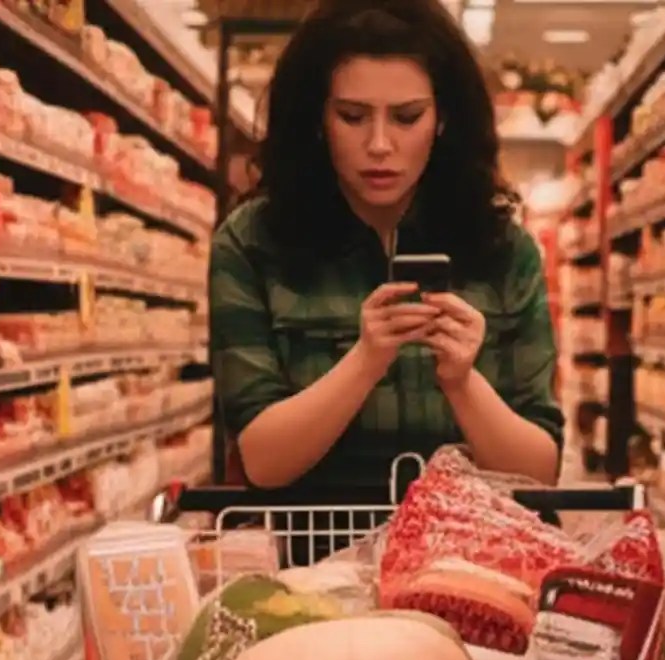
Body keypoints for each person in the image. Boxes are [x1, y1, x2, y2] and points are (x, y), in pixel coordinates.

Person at [209, 0, 563, 500]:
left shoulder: (503, 249)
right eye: (352, 116)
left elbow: (539, 472)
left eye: (407, 117)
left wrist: (462, 382)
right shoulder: (251, 244)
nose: (379, 144)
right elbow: (263, 462)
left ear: (443, 119)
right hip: (314, 560)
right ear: (316, 118)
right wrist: (366, 360)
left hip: (471, 558)